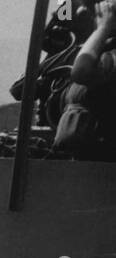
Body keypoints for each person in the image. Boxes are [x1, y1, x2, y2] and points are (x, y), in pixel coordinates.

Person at [56, 1, 116, 159]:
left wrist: (103, 28)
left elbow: (81, 72)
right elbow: (59, 25)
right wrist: (65, 7)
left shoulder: (107, 60)